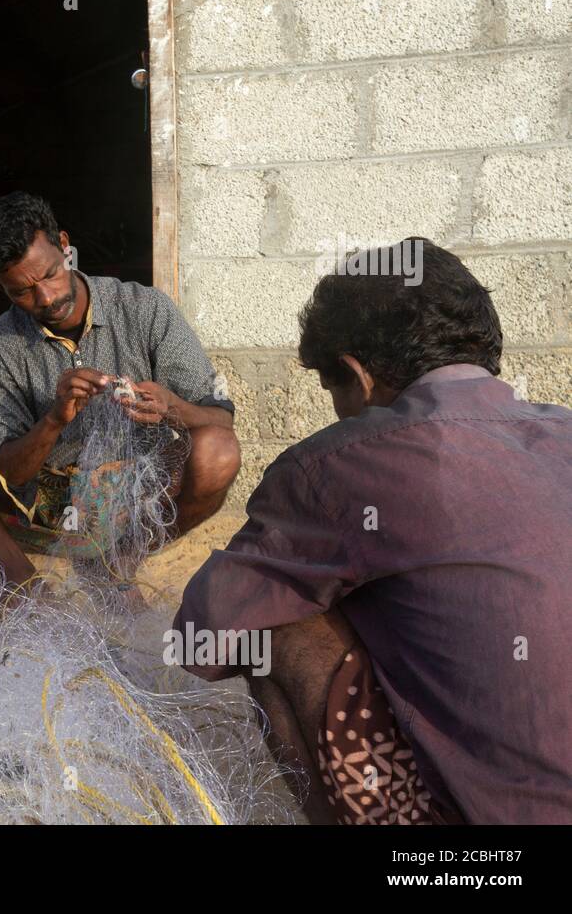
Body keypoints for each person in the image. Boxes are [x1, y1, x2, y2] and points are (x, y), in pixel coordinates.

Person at [175, 239, 572, 824]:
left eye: (334, 391)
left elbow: (202, 636)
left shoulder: (339, 463)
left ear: (357, 376)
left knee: (276, 628)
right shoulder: (562, 431)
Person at [0, 191, 241, 587]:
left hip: (132, 495)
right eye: (21, 291)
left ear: (64, 246)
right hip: (45, 503)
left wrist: (171, 406)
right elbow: (4, 473)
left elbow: (219, 417)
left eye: (48, 275)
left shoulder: (144, 308)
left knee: (219, 450)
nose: (46, 298)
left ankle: (118, 561)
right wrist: (53, 420)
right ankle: (21, 578)